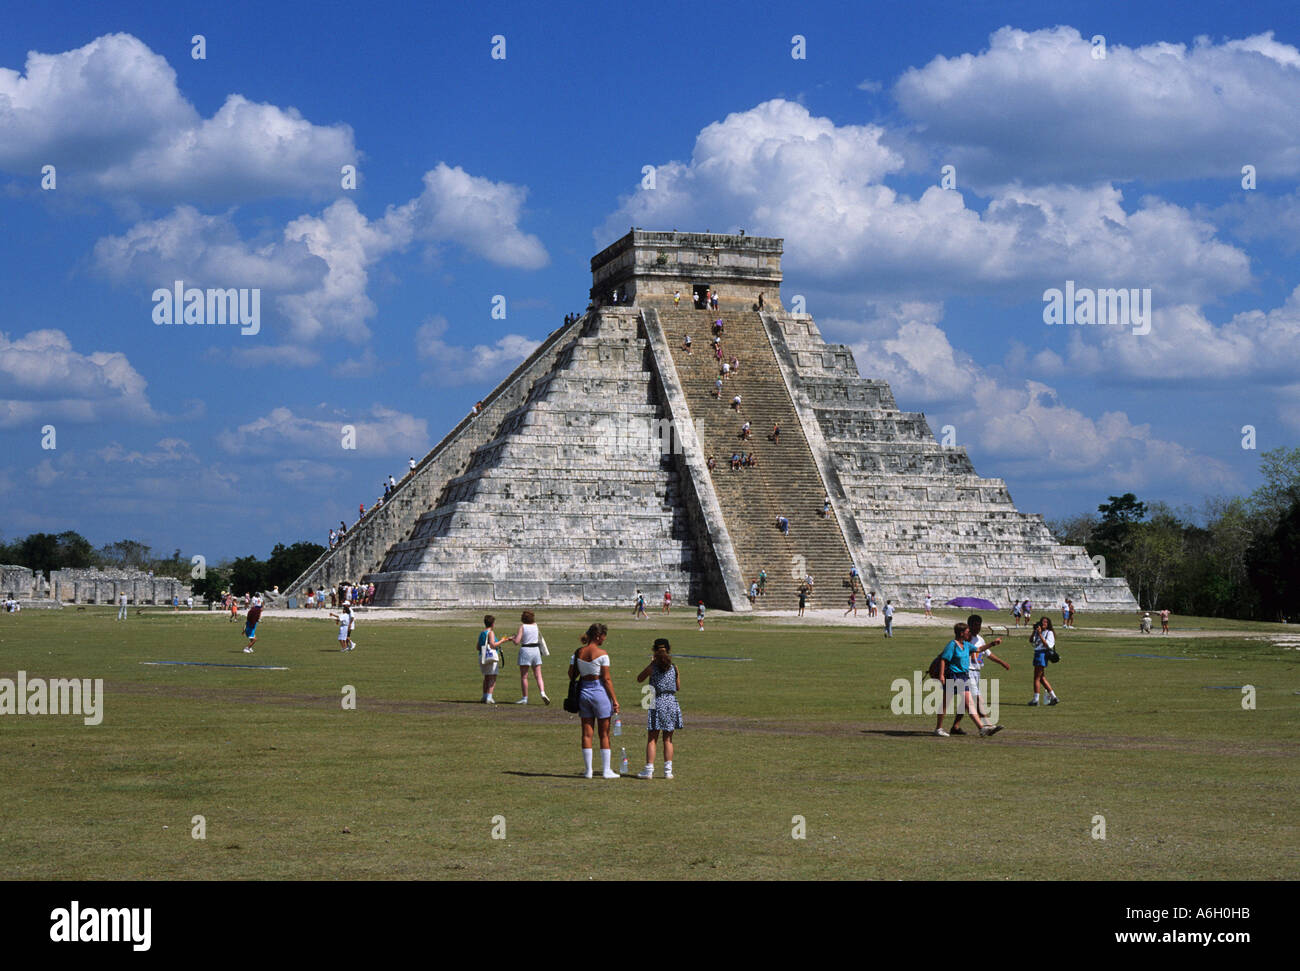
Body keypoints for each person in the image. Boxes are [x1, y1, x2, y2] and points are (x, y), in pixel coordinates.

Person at [569, 624, 620, 778]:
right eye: (604, 636)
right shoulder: (602, 654)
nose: (604, 639)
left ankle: (588, 770)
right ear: (598, 636)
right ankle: (606, 770)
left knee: (586, 733)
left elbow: (571, 674)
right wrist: (615, 700)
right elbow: (606, 679)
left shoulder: (578, 652)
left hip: (584, 691)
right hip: (599, 692)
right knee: (604, 733)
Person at [934, 623, 1002, 737]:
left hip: (963, 676)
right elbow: (943, 659)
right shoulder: (952, 645)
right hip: (953, 675)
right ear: (961, 633)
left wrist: (993, 644)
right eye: (967, 632)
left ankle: (982, 728)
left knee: (969, 703)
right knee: (946, 703)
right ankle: (938, 728)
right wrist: (941, 675)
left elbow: (979, 649)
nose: (969, 633)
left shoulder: (966, 644)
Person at [950, 614, 1009, 732]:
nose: (978, 628)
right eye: (975, 625)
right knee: (977, 699)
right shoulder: (966, 639)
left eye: (979, 625)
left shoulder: (980, 639)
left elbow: (987, 653)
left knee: (966, 702)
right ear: (969, 626)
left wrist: (1001, 662)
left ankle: (955, 727)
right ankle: (987, 724)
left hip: (977, 672)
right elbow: (967, 652)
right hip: (968, 672)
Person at [635, 638, 682, 779]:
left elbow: (639, 678)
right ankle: (668, 771)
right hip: (671, 702)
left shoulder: (653, 667)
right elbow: (678, 687)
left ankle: (649, 770)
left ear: (654, 651)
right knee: (668, 739)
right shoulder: (674, 667)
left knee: (652, 738)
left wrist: (651, 663)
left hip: (657, 701)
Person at [513, 610, 548, 705]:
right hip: (536, 650)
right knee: (538, 675)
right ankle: (542, 692)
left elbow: (517, 641)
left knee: (524, 676)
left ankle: (525, 698)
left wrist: (513, 638)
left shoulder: (523, 627)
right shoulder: (535, 626)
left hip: (526, 650)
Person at [477, 614, 509, 703]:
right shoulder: (490, 632)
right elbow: (492, 645)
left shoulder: (482, 633)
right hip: (491, 657)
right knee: (492, 677)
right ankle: (489, 697)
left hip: (482, 656)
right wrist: (502, 641)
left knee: (486, 677)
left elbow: (477, 647)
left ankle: (484, 695)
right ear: (492, 624)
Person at [1029, 618, 1059, 706]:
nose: (1043, 623)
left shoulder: (1049, 633)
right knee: (1041, 678)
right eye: (1042, 622)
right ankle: (1054, 697)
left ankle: (1036, 699)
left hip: (1042, 654)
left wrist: (1040, 634)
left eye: (1046, 622)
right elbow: (1031, 641)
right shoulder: (1039, 631)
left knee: (1036, 678)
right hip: (1037, 653)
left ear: (1049, 624)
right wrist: (1034, 631)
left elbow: (1048, 645)